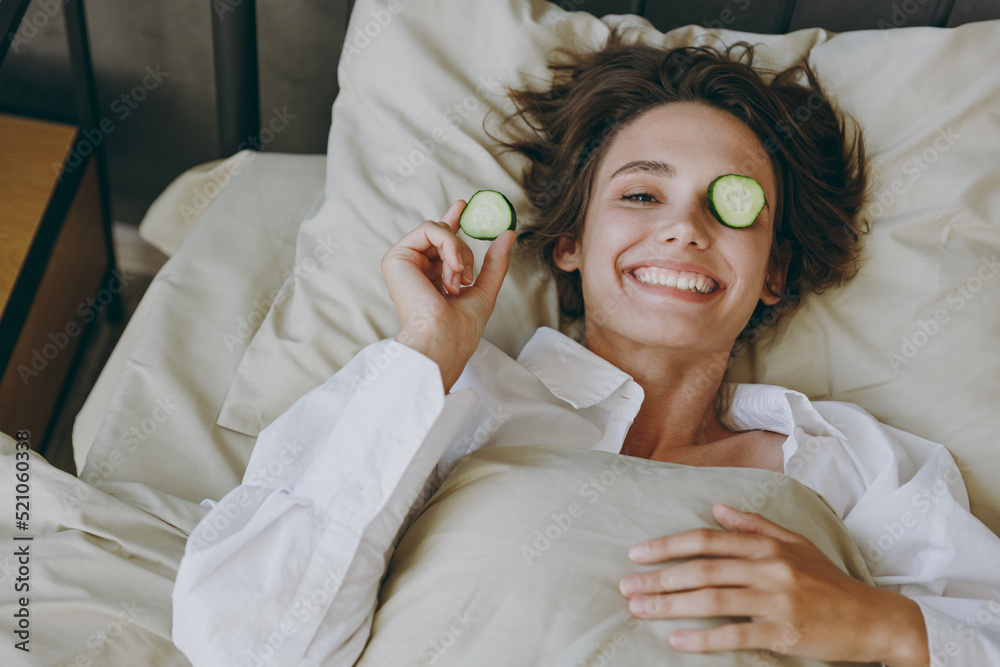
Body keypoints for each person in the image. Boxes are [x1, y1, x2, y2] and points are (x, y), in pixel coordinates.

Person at [172, 29, 1000, 667]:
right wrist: (426, 349)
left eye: (732, 205)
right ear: (568, 240)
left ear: (773, 271)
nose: (685, 225)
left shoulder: (847, 460)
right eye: (642, 192)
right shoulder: (439, 394)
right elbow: (248, 643)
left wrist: (876, 621)